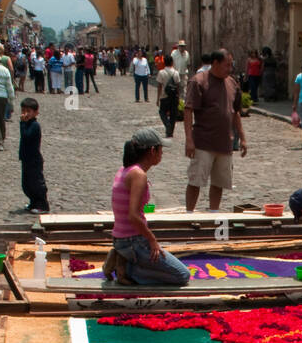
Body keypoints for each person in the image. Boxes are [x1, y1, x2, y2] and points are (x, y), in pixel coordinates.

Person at [101, 128, 190, 287]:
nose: (162, 153)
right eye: (160, 149)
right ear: (152, 151)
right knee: (182, 275)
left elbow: (132, 207)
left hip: (122, 239)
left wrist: (150, 211)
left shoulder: (125, 170)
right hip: (133, 242)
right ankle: (127, 268)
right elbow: (133, 216)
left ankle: (124, 259)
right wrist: (152, 240)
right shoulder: (138, 175)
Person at [184, 49, 246, 212]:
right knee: (196, 180)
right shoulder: (199, 81)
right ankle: (189, 213)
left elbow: (236, 112)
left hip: (224, 142)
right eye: (227, 65)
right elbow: (188, 110)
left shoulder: (232, 84)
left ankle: (213, 212)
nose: (229, 69)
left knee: (219, 182)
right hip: (203, 142)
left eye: (231, 65)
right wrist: (189, 139)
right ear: (215, 63)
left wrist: (243, 138)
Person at [18, 97, 49, 214]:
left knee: (36, 183)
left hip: (34, 159)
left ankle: (42, 204)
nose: (25, 113)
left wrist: (22, 123)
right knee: (27, 184)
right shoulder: (27, 124)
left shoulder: (34, 125)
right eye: (23, 110)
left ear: (36, 113)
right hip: (26, 158)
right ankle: (33, 203)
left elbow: (26, 136)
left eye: (28, 111)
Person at [155, 58, 181, 136]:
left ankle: (167, 124)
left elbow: (159, 86)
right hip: (174, 97)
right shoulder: (176, 73)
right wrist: (178, 96)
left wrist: (158, 98)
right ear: (172, 63)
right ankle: (170, 132)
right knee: (173, 114)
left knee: (162, 112)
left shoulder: (161, 72)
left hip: (164, 96)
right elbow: (178, 86)